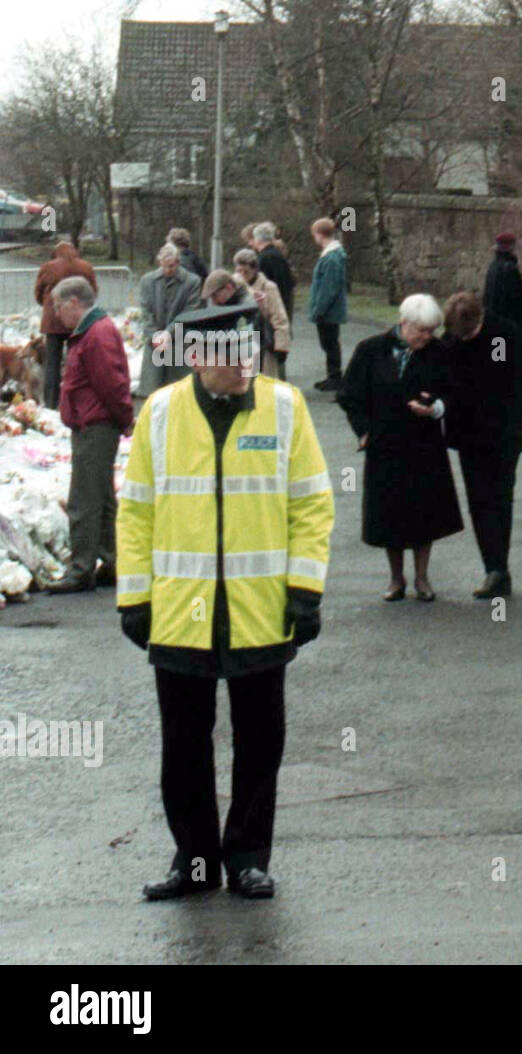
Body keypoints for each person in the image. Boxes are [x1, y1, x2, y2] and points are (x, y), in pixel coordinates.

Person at [116, 300, 335, 900]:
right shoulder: (160, 415)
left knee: (260, 744)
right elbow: (135, 513)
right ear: (195, 358)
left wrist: (305, 588)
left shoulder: (285, 408)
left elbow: (312, 503)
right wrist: (134, 598)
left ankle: (247, 858)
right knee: (183, 747)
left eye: (250, 354)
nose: (245, 367)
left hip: (259, 612)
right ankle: (193, 861)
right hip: (180, 615)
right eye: (231, 357)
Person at [337, 294, 462, 601]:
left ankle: (422, 578)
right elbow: (349, 395)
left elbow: (456, 392)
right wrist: (363, 431)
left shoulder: (439, 352)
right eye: (422, 330)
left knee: (425, 513)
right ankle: (396, 579)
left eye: (431, 330)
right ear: (404, 323)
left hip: (424, 445)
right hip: (385, 444)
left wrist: (435, 409)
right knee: (388, 513)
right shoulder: (370, 350)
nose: (427, 337)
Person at [43, 277, 134, 594]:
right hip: (95, 422)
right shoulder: (95, 331)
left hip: (95, 425)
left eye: (57, 306)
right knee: (104, 498)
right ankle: (113, 561)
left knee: (84, 498)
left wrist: (124, 418)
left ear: (73, 303)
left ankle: (81, 569)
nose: (56, 314)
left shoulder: (95, 334)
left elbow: (112, 383)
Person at [442, 292, 522, 599]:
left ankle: (499, 568)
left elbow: (516, 384)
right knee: (478, 502)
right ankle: (492, 567)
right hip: (469, 437)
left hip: (501, 437)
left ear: (479, 319)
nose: (463, 340)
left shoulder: (501, 337)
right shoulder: (453, 339)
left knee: (499, 500)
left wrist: (512, 430)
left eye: (467, 334)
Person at [33, 241, 98, 408]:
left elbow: (38, 293)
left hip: (53, 321)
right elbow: (93, 292)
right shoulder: (86, 267)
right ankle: (74, 401)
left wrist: (48, 305)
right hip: (78, 321)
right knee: (76, 362)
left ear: (56, 253)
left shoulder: (48, 267)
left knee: (52, 364)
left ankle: (51, 403)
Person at [137, 244, 202, 396]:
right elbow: (146, 311)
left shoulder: (192, 281)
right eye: (164, 266)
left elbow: (189, 312)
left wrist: (168, 333)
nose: (167, 270)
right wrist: (155, 336)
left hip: (180, 343)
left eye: (171, 266)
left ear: (178, 263)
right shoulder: (147, 281)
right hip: (155, 344)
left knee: (179, 393)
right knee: (153, 394)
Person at [234, 249, 291, 379]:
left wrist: (281, 346)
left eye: (246, 272)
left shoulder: (268, 287)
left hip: (263, 342)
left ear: (255, 270)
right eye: (239, 271)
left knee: (265, 383)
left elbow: (279, 317)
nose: (242, 275)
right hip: (242, 342)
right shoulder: (233, 287)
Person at [308, 217, 348, 391]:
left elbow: (328, 288)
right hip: (330, 310)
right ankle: (332, 376)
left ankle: (335, 377)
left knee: (330, 343)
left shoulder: (331, 258)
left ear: (319, 234)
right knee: (329, 343)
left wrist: (319, 309)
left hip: (329, 311)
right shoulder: (332, 255)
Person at [482, 232, 522, 343]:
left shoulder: (493, 266)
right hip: (510, 326)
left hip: (494, 324)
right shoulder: (510, 268)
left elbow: (486, 298)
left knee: (497, 357)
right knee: (508, 357)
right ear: (512, 248)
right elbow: (520, 299)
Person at [253, 222, 296, 329]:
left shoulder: (263, 258)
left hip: (270, 309)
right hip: (282, 305)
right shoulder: (279, 256)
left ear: (258, 239)